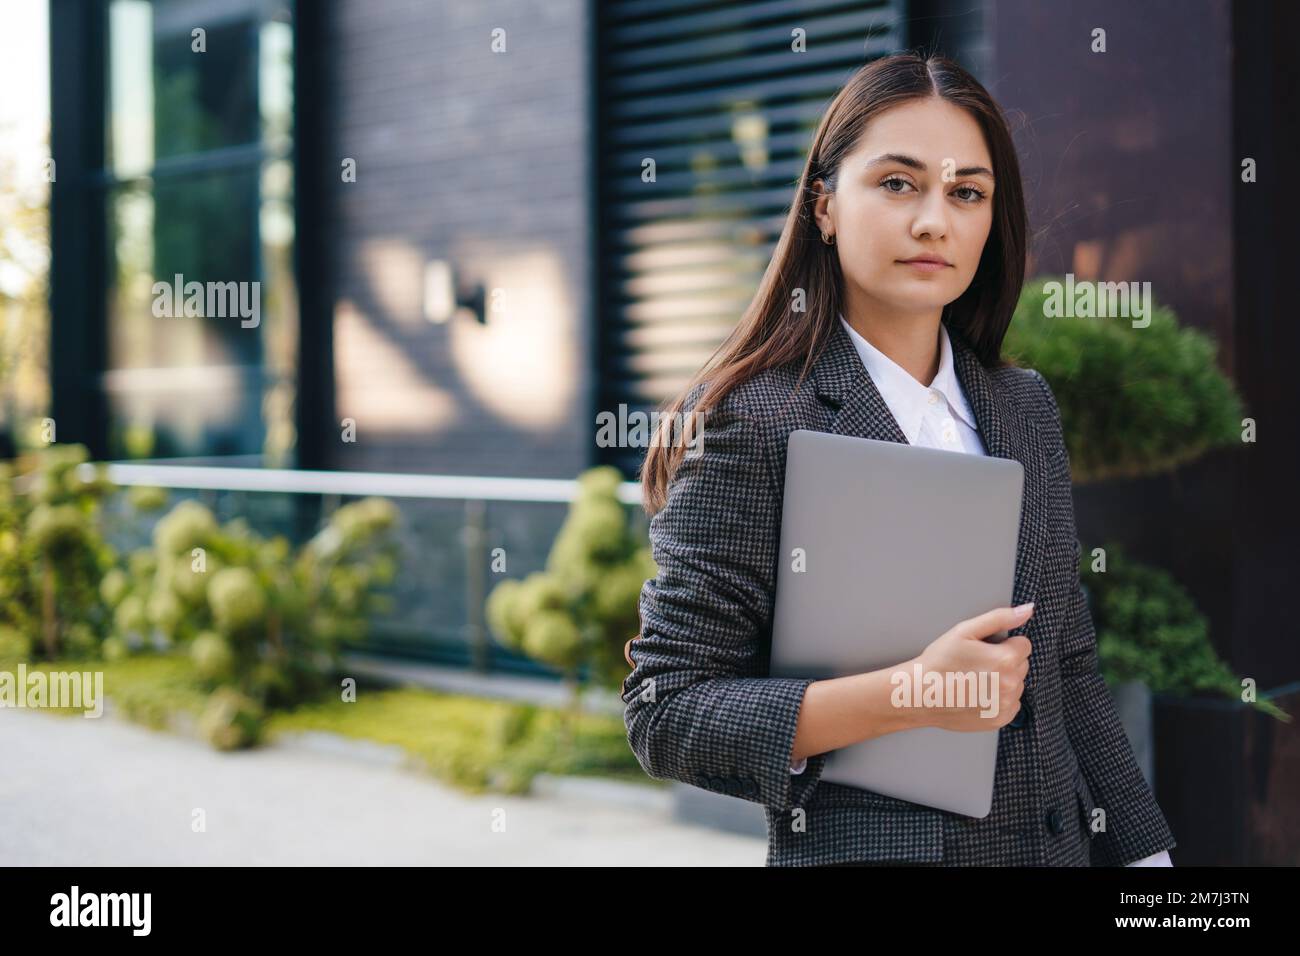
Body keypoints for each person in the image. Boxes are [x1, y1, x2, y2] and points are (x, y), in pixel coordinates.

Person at [622, 51, 1176, 868]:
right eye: (896, 183)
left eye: (966, 193)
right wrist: (911, 692)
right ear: (824, 207)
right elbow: (666, 712)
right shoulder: (751, 421)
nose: (934, 222)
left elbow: (1069, 664)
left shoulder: (1024, 409)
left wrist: (1149, 863)